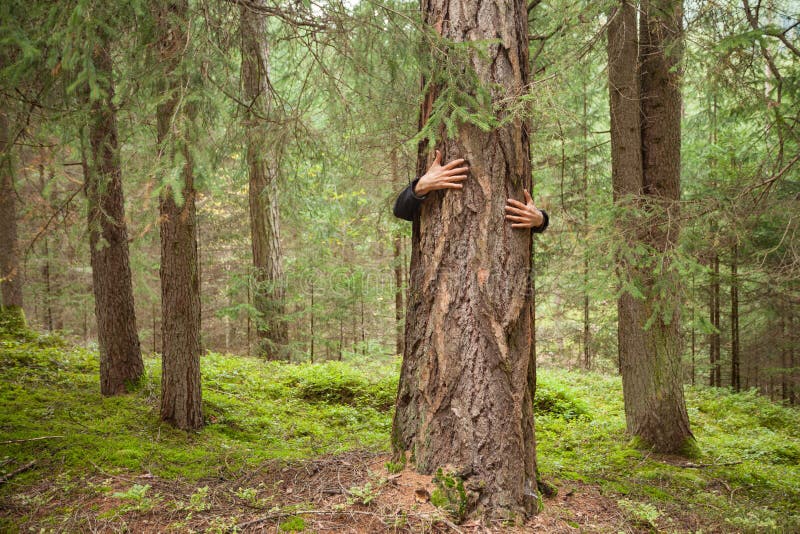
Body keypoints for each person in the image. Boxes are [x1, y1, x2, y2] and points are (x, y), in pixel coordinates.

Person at [392, 150, 549, 232]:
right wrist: (420, 186)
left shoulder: (517, 162)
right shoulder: (431, 169)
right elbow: (401, 210)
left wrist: (540, 220)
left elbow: (532, 214)